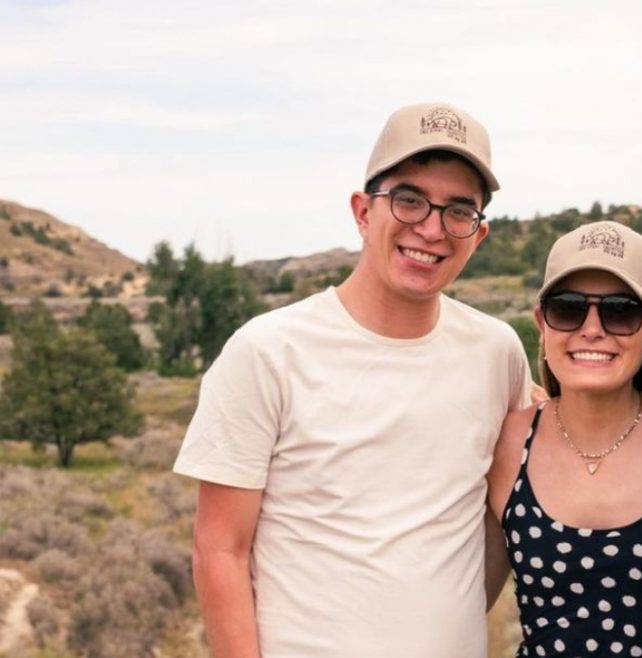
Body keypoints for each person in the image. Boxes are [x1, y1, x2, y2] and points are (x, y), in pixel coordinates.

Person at [173, 102, 532, 658]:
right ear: (363, 211)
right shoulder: (267, 352)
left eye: (459, 210)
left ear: (478, 236)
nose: (432, 229)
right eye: (409, 199)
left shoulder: (497, 352)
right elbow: (219, 549)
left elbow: (503, 512)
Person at [486, 220, 642, 657]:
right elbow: (464, 597)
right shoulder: (507, 443)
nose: (591, 328)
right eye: (568, 308)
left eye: (620, 311)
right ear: (542, 323)